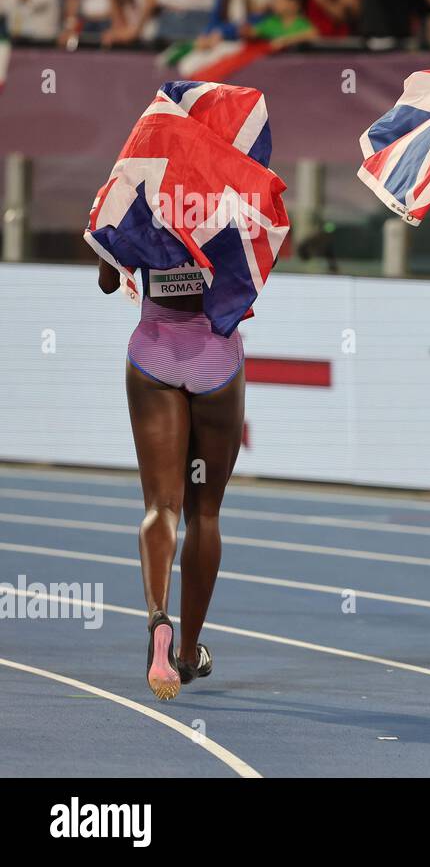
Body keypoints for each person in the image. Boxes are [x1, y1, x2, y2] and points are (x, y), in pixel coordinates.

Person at [95, 252, 247, 701]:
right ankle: (185, 652)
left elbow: (107, 280)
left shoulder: (131, 183)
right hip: (215, 354)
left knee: (162, 505)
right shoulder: (238, 185)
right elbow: (258, 264)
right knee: (205, 514)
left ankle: (158, 617)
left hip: (155, 353)